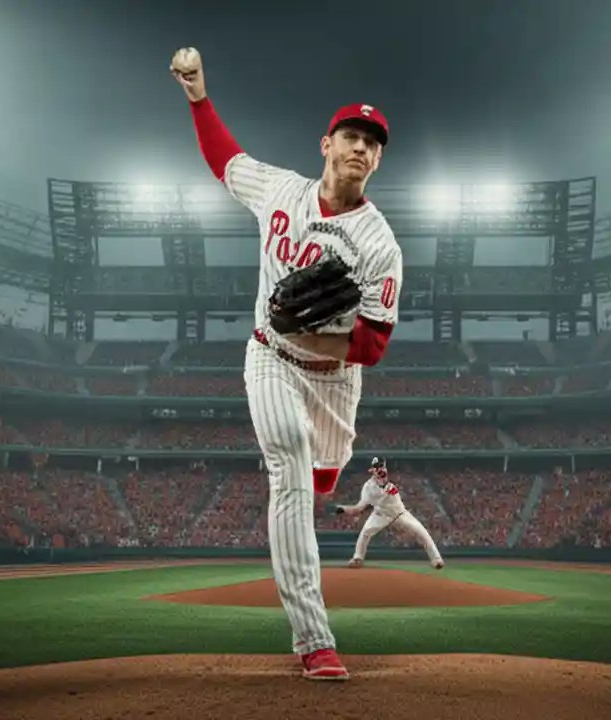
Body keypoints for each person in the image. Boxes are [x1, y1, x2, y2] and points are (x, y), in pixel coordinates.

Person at [171, 47, 404, 681]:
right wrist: (198, 96)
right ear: (326, 144)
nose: (360, 148)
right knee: (292, 471)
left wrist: (319, 335)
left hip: (336, 381)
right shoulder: (280, 190)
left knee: (325, 476)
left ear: (378, 160)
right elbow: (225, 160)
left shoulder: (381, 244)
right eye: (351, 136)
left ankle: (315, 485)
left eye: (372, 143)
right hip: (269, 357)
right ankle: (314, 640)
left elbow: (373, 347)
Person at [336, 457, 445, 569]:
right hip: (380, 514)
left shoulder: (390, 479)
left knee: (421, 532)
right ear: (372, 469)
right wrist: (344, 509)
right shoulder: (368, 487)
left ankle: (436, 559)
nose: (380, 468)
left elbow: (384, 481)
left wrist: (381, 473)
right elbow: (359, 508)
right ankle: (357, 558)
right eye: (377, 466)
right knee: (365, 532)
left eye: (381, 466)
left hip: (399, 513)